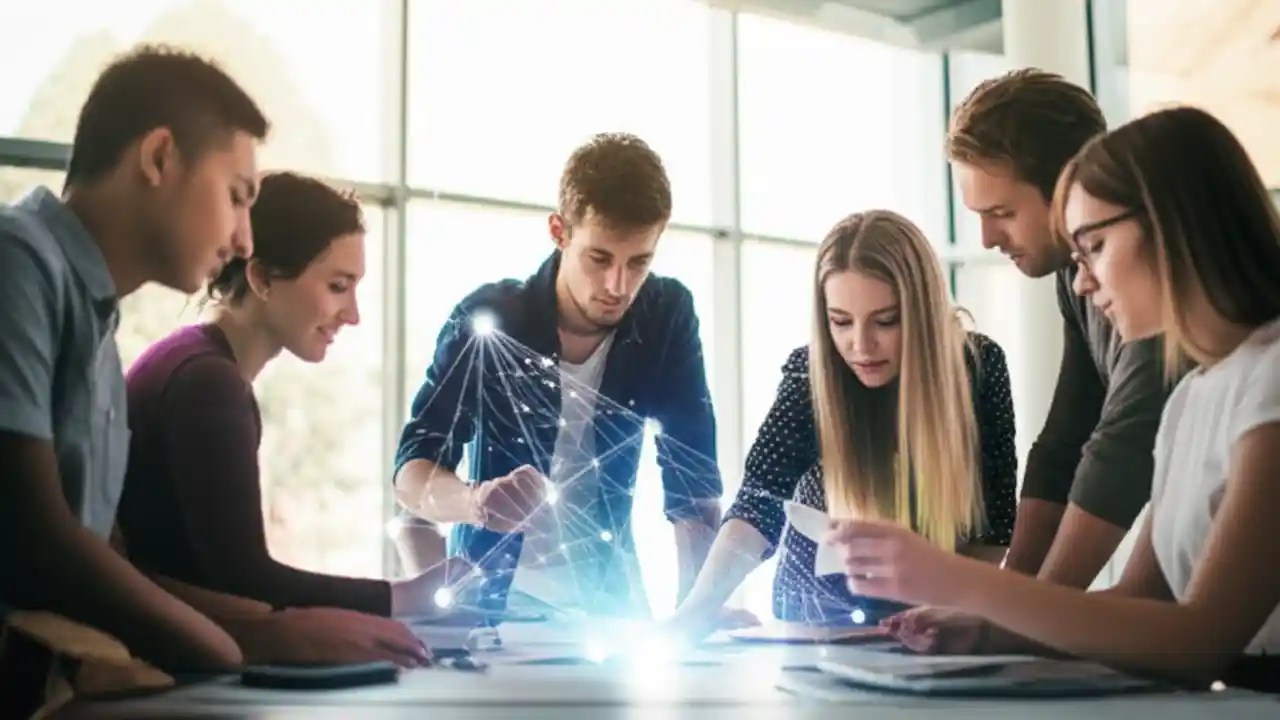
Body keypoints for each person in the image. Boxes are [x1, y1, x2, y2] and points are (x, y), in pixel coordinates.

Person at [829, 106, 1280, 693]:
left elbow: (1197, 641)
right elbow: (1138, 601)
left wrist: (956, 580)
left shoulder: (1270, 376)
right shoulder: (1193, 396)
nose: (1084, 281)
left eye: (1092, 245)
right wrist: (989, 630)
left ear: (1174, 224)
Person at [0, 44, 268, 676]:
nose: (244, 239)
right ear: (158, 158)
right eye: (237, 196)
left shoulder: (99, 325)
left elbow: (104, 554)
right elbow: (31, 534)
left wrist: (272, 629)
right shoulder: (18, 262)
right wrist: (222, 650)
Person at [117, 172, 466, 649]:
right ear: (261, 278)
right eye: (338, 285)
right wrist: (402, 597)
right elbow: (242, 578)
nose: (354, 313)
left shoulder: (192, 362)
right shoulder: (207, 384)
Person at [394, 132, 722, 619]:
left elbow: (693, 483)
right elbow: (411, 471)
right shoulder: (489, 318)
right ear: (559, 231)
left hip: (614, 609)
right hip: (488, 605)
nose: (619, 286)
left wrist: (696, 611)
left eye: (640, 263)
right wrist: (474, 501)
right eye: (600, 259)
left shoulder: (666, 315)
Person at [667, 210, 1017, 635]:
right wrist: (693, 611)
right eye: (841, 322)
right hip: (814, 616)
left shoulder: (978, 368)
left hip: (931, 617)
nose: (860, 346)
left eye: (886, 321)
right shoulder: (809, 374)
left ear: (923, 312)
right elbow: (758, 503)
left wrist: (961, 611)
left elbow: (994, 524)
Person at [947, 68, 1172, 588]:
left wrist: (1024, 614)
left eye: (1002, 211)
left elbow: (1122, 447)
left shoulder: (1146, 278)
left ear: (1072, 184)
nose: (984, 238)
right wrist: (1015, 597)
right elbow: (1066, 441)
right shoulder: (1075, 273)